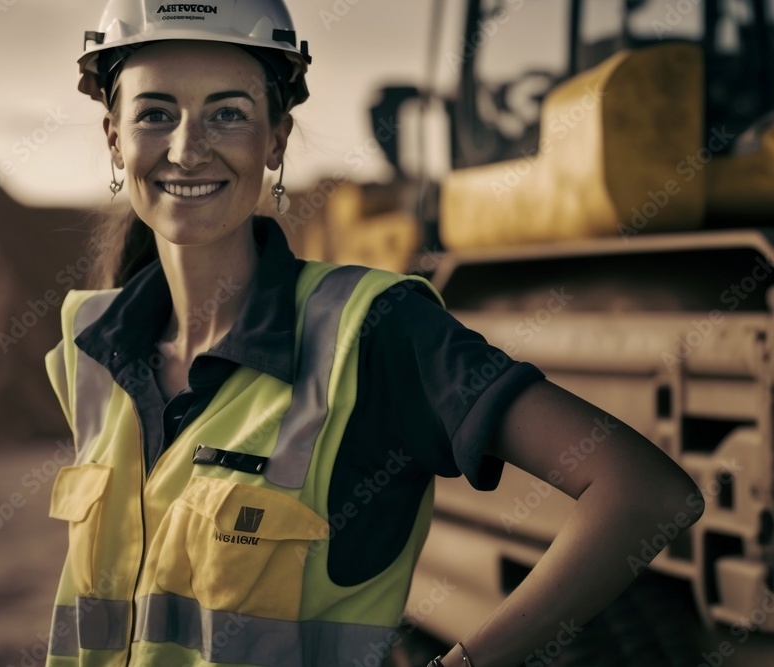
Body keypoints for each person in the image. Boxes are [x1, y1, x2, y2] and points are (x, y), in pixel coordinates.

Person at [43, 1, 703, 666]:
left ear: (274, 139)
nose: (187, 148)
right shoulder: (92, 342)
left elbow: (643, 492)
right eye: (155, 113)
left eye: (227, 113)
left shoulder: (374, 330)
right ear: (113, 137)